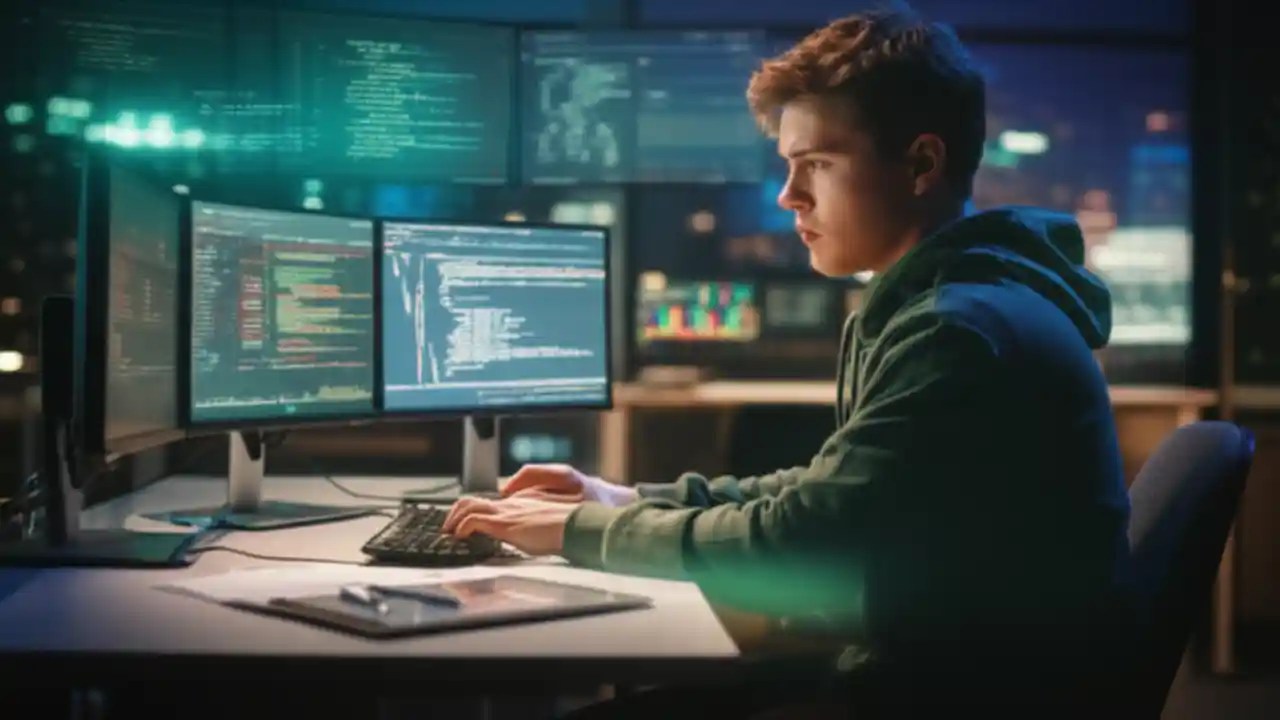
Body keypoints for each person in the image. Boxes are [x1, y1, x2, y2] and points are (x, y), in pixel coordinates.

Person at [444, 4, 1135, 714]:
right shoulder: (949, 305)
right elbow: (825, 497)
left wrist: (580, 531)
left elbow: (801, 542)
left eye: (818, 165)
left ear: (922, 163)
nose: (788, 195)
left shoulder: (958, 333)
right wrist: (622, 500)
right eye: (788, 166)